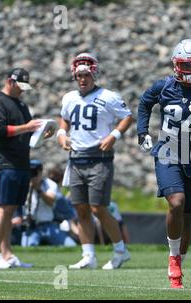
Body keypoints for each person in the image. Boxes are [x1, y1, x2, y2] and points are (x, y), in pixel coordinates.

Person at [137, 39, 191, 288]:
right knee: (176, 201)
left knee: (188, 216)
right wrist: (142, 132)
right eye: (187, 64)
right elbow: (145, 103)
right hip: (168, 150)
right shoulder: (163, 86)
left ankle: (179, 263)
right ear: (176, 65)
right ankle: (173, 258)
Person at [58, 53, 133, 270]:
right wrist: (62, 135)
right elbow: (64, 118)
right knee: (80, 208)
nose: (83, 79)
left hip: (99, 158)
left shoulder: (108, 96)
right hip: (77, 158)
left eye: (87, 75)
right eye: (79, 75)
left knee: (98, 207)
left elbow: (127, 116)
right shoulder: (69, 97)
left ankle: (121, 250)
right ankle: (88, 254)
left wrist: (114, 136)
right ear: (74, 75)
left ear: (94, 75)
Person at [0, 68, 51, 269]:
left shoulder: (21, 105)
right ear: (10, 82)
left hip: (21, 163)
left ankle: (7, 254)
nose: (22, 91)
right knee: (4, 207)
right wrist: (27, 127)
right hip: (4, 163)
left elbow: (25, 136)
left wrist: (40, 135)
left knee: (12, 209)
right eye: (20, 87)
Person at [21, 159, 77, 247]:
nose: (33, 175)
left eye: (35, 172)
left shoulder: (49, 184)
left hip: (50, 225)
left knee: (71, 246)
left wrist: (38, 189)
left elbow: (51, 201)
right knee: (27, 247)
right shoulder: (24, 185)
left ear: (40, 172)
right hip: (32, 227)